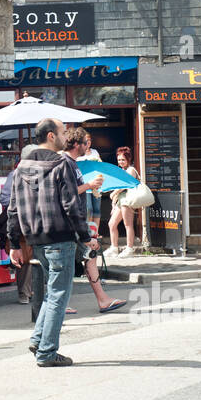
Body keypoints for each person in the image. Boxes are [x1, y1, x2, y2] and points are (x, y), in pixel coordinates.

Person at [7, 119, 96, 367]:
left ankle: (38, 340)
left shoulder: (22, 166)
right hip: (60, 236)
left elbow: (13, 208)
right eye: (62, 132)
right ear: (50, 135)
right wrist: (86, 237)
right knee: (59, 295)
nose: (65, 136)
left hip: (36, 239)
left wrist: (14, 243)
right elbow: (70, 204)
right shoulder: (60, 163)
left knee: (51, 293)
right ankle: (47, 352)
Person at [63, 128, 125, 312]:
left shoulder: (72, 164)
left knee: (89, 256)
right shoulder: (65, 164)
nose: (87, 146)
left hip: (77, 221)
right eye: (84, 143)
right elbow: (67, 194)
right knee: (65, 263)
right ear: (76, 144)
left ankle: (102, 299)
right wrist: (89, 185)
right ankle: (60, 304)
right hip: (68, 222)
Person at [0, 146, 38, 304]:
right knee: (24, 257)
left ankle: (32, 290)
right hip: (23, 221)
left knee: (35, 256)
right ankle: (24, 292)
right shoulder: (15, 174)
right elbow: (4, 198)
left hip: (37, 221)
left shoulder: (39, 173)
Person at [104, 146, 141, 257]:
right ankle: (114, 248)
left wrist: (113, 193)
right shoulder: (122, 170)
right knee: (112, 223)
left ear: (128, 159)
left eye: (123, 160)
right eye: (119, 159)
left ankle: (129, 249)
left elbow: (124, 185)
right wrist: (114, 202)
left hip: (127, 200)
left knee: (128, 224)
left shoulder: (131, 170)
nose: (120, 162)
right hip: (120, 201)